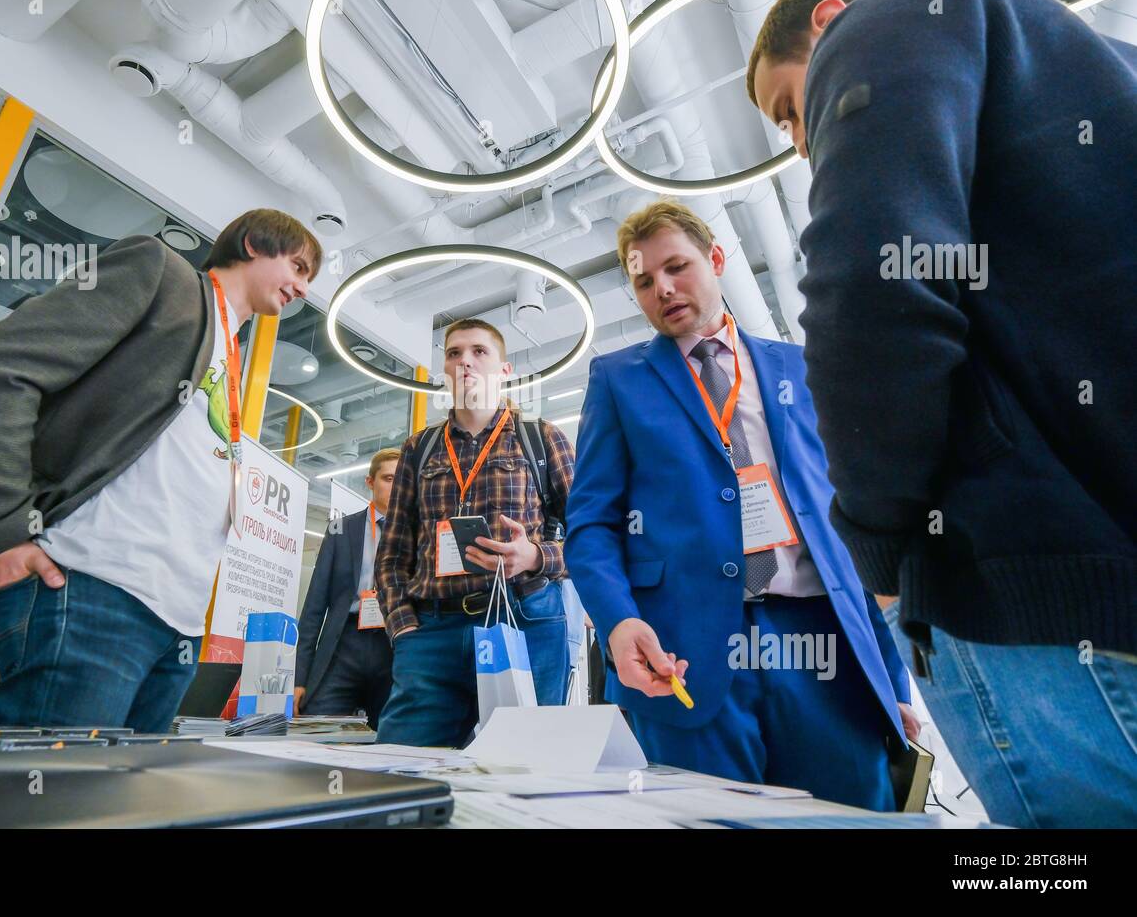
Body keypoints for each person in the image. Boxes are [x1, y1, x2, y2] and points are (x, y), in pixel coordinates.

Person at [747, 0, 1137, 826]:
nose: (801, 144)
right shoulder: (1104, 68)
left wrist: (882, 553)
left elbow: (871, 286)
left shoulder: (885, 23)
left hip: (1039, 605)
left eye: (786, 109)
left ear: (828, 19)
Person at [0, 209, 320, 733]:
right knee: (51, 805)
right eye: (299, 267)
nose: (303, 289)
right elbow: (0, 373)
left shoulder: (229, 352)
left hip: (179, 625)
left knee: (115, 807)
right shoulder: (161, 274)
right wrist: (2, 535)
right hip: (92, 589)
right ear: (253, 243)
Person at [564, 200, 916, 812]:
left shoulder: (800, 369)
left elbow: (848, 526)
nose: (663, 288)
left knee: (852, 815)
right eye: (644, 281)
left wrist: (891, 674)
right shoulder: (618, 380)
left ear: (717, 259)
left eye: (678, 267)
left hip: (823, 644)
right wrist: (618, 621)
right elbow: (591, 523)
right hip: (682, 653)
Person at [374, 318, 575, 747]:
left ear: (504, 371)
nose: (465, 361)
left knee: (530, 764)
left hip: (526, 620)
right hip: (433, 632)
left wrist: (536, 556)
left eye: (479, 352)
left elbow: (592, 536)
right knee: (401, 767)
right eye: (454, 353)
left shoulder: (541, 439)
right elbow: (392, 553)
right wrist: (403, 628)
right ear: (444, 370)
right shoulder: (419, 448)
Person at [293, 448, 400, 728]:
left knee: (390, 738)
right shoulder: (341, 530)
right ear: (370, 482)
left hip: (393, 645)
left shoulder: (416, 533)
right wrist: (298, 678)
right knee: (316, 728)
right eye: (388, 478)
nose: (396, 486)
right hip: (344, 642)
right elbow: (314, 607)